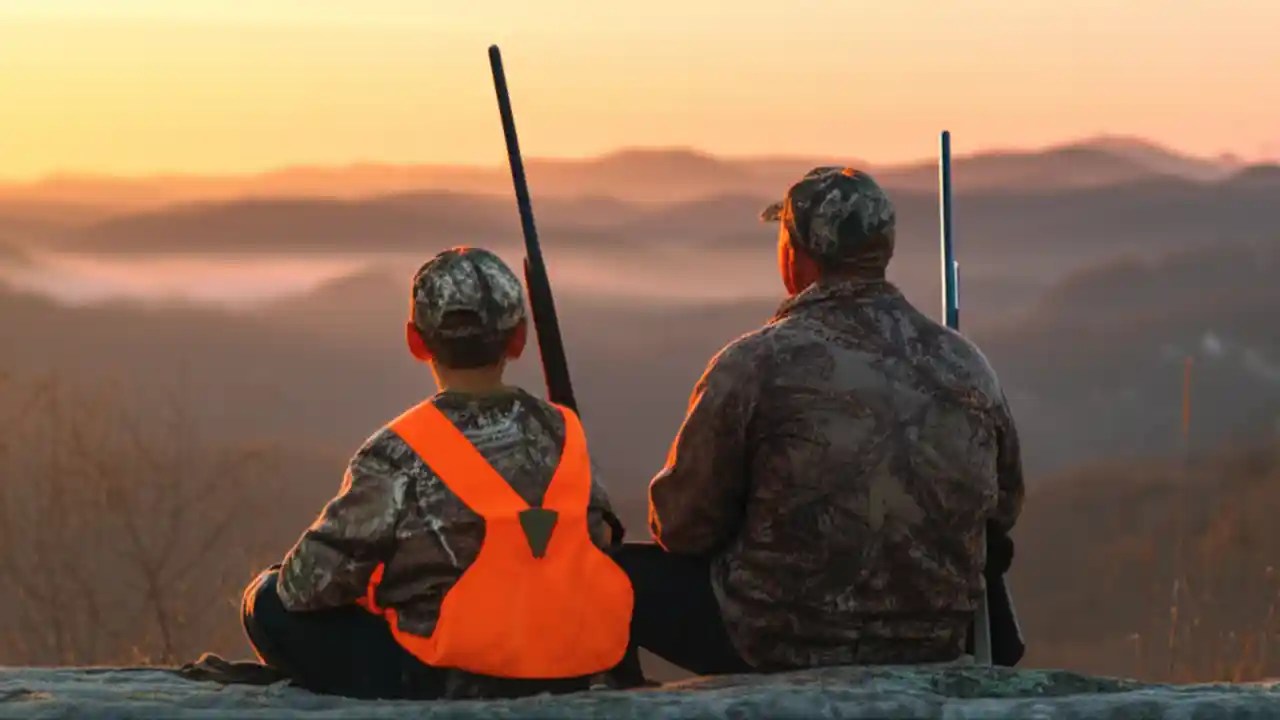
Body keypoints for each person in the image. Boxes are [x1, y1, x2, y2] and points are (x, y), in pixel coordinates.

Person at [611, 167, 1025, 677]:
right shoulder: (967, 364)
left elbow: (681, 527)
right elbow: (1002, 510)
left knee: (601, 577)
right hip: (933, 640)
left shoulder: (755, 364)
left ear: (795, 251)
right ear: (883, 249)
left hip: (774, 641)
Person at [241, 247, 633, 700]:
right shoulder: (566, 432)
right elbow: (600, 540)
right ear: (519, 339)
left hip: (440, 677)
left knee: (267, 599)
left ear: (416, 341)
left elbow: (303, 588)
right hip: (571, 665)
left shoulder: (395, 452)